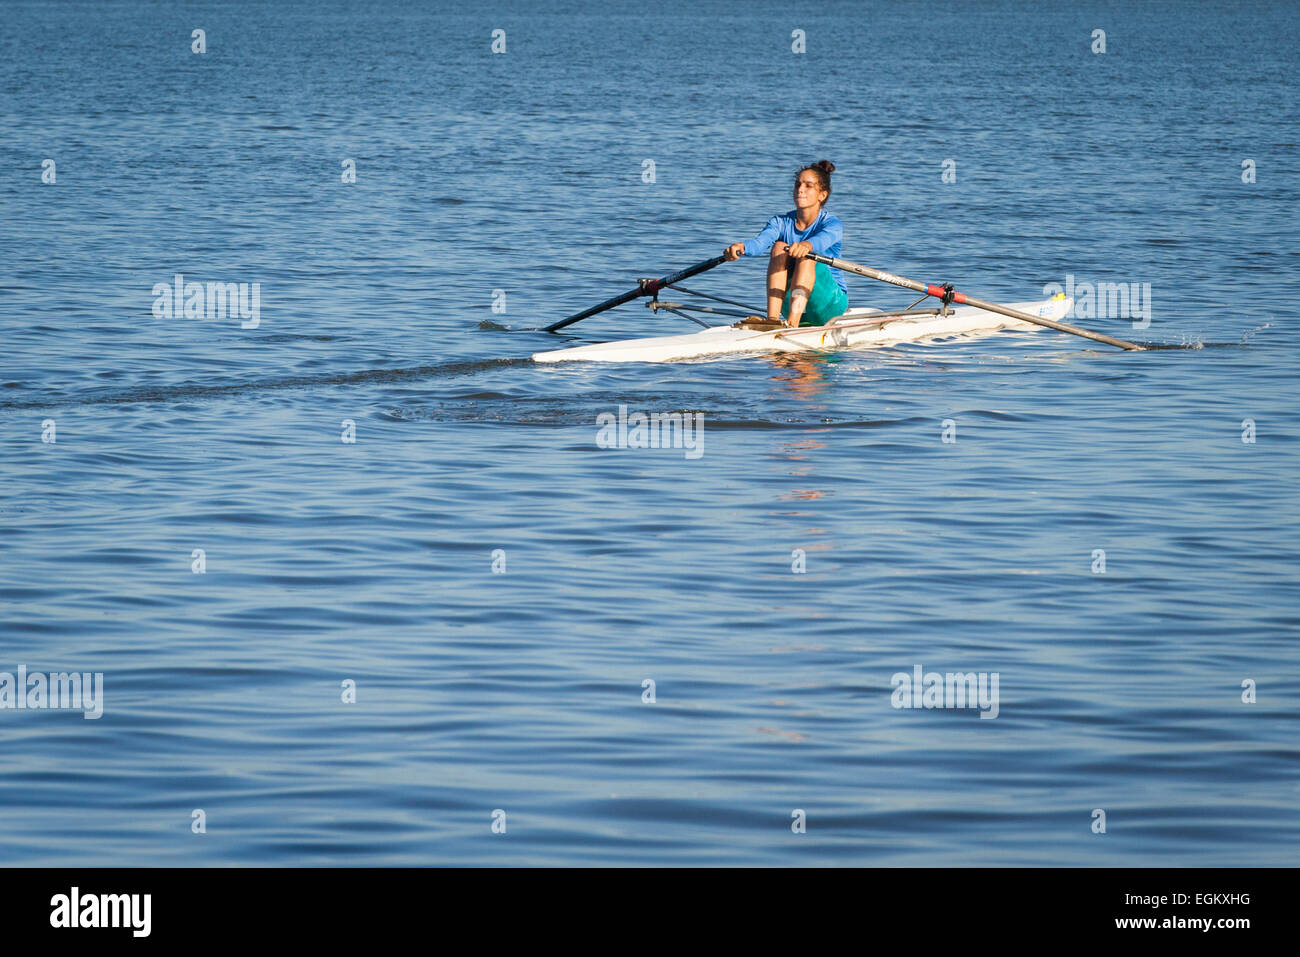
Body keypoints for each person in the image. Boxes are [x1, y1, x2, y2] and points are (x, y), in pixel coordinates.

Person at [724, 160, 848, 327]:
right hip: (792, 301)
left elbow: (821, 240)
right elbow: (760, 243)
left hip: (829, 305)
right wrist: (742, 247)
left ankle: (792, 323)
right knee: (779, 247)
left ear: (822, 195)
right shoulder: (780, 222)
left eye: (808, 186)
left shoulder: (832, 224)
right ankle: (773, 320)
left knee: (807, 256)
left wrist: (806, 246)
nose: (800, 189)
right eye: (798, 184)